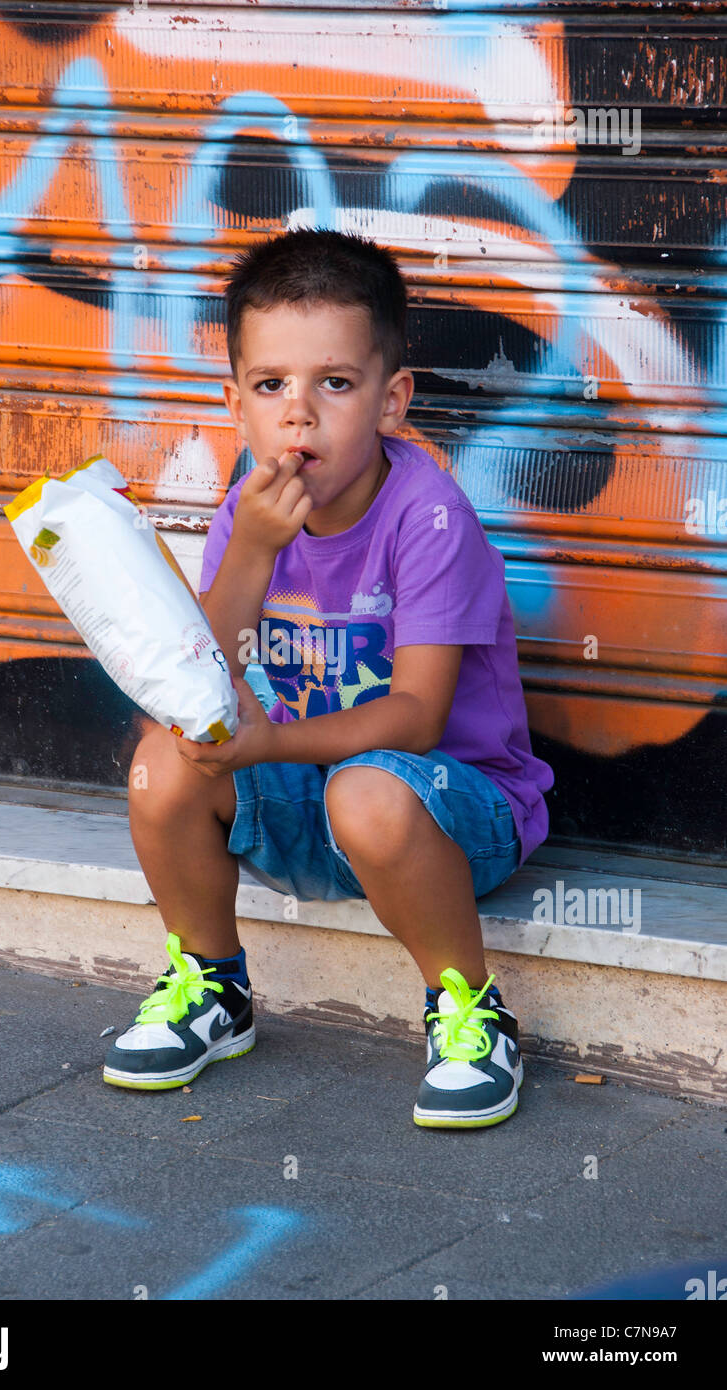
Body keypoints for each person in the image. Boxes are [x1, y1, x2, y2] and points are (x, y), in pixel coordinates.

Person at [103, 229, 554, 1128]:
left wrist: (266, 741)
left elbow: (418, 718)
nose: (298, 415)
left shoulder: (427, 517)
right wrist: (251, 553)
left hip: (449, 816)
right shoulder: (249, 511)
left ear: (392, 401)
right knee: (160, 761)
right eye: (271, 385)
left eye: (334, 384)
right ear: (235, 404)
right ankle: (214, 988)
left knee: (370, 791)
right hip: (316, 798)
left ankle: (470, 1011)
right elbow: (201, 677)